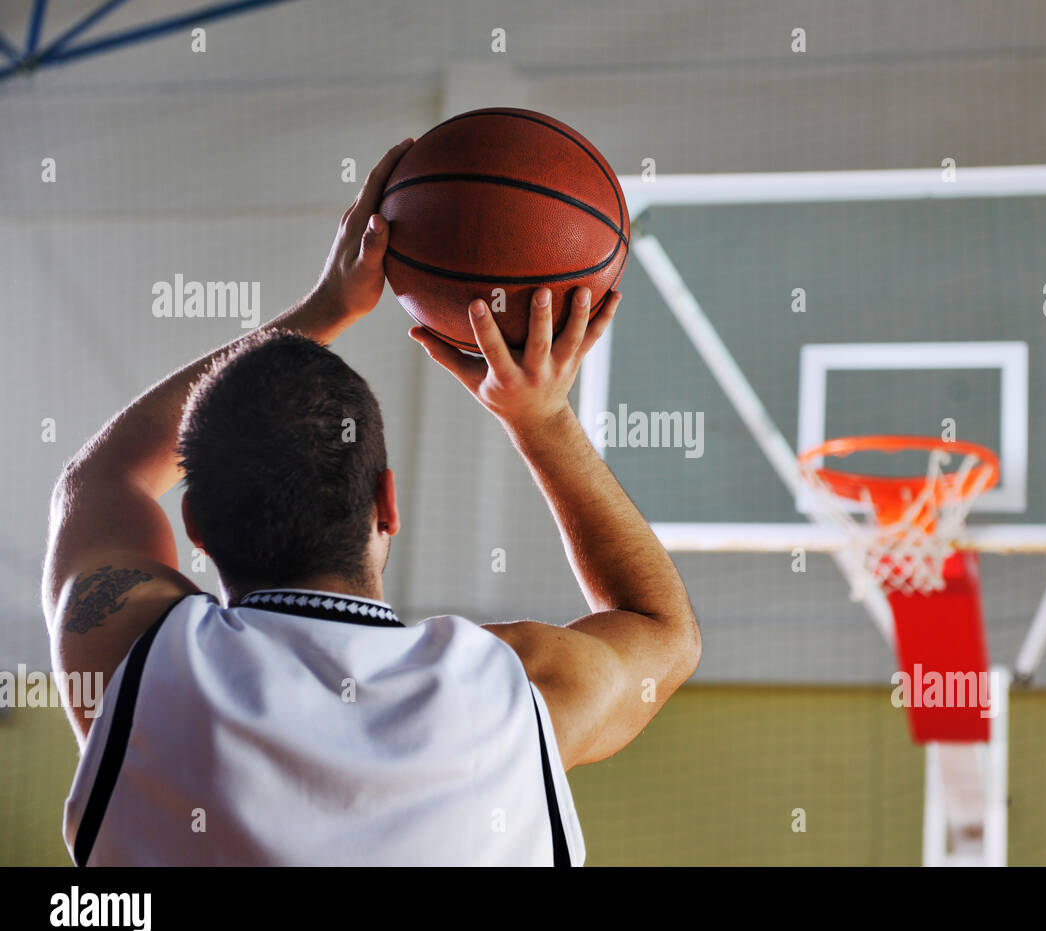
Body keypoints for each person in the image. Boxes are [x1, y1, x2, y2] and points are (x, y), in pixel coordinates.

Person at [43, 139, 701, 866]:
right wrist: (542, 419)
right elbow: (663, 633)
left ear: (195, 526)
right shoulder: (514, 693)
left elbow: (103, 479)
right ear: (386, 505)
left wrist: (324, 308)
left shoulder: (140, 663)